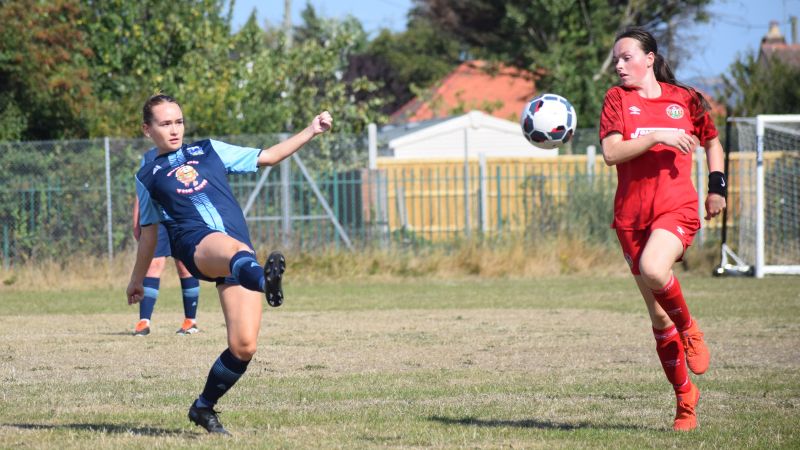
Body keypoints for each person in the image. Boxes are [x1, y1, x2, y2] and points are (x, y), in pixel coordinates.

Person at [127, 93, 332, 435]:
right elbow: (148, 234)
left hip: (241, 259)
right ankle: (266, 282)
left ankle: (203, 407)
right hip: (195, 244)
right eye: (165, 124)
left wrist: (311, 130)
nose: (174, 129)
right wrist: (137, 279)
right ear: (147, 130)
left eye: (178, 121)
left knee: (244, 346)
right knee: (234, 249)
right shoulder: (147, 175)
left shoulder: (209, 149)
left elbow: (268, 156)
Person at [599, 28, 726, 431]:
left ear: (649, 58)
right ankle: (685, 399)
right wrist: (656, 135)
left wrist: (716, 187)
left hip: (676, 208)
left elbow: (712, 142)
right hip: (630, 218)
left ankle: (691, 330)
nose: (619, 66)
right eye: (616, 60)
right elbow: (610, 153)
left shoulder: (685, 99)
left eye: (626, 58)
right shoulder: (617, 100)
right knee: (657, 317)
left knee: (656, 268)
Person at [131, 150, 201, 337]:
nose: (172, 130)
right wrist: (136, 219)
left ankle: (190, 321)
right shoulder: (148, 157)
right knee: (152, 265)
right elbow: (141, 190)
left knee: (185, 266)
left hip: (181, 217)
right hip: (157, 219)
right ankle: (143, 322)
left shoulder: (189, 153)